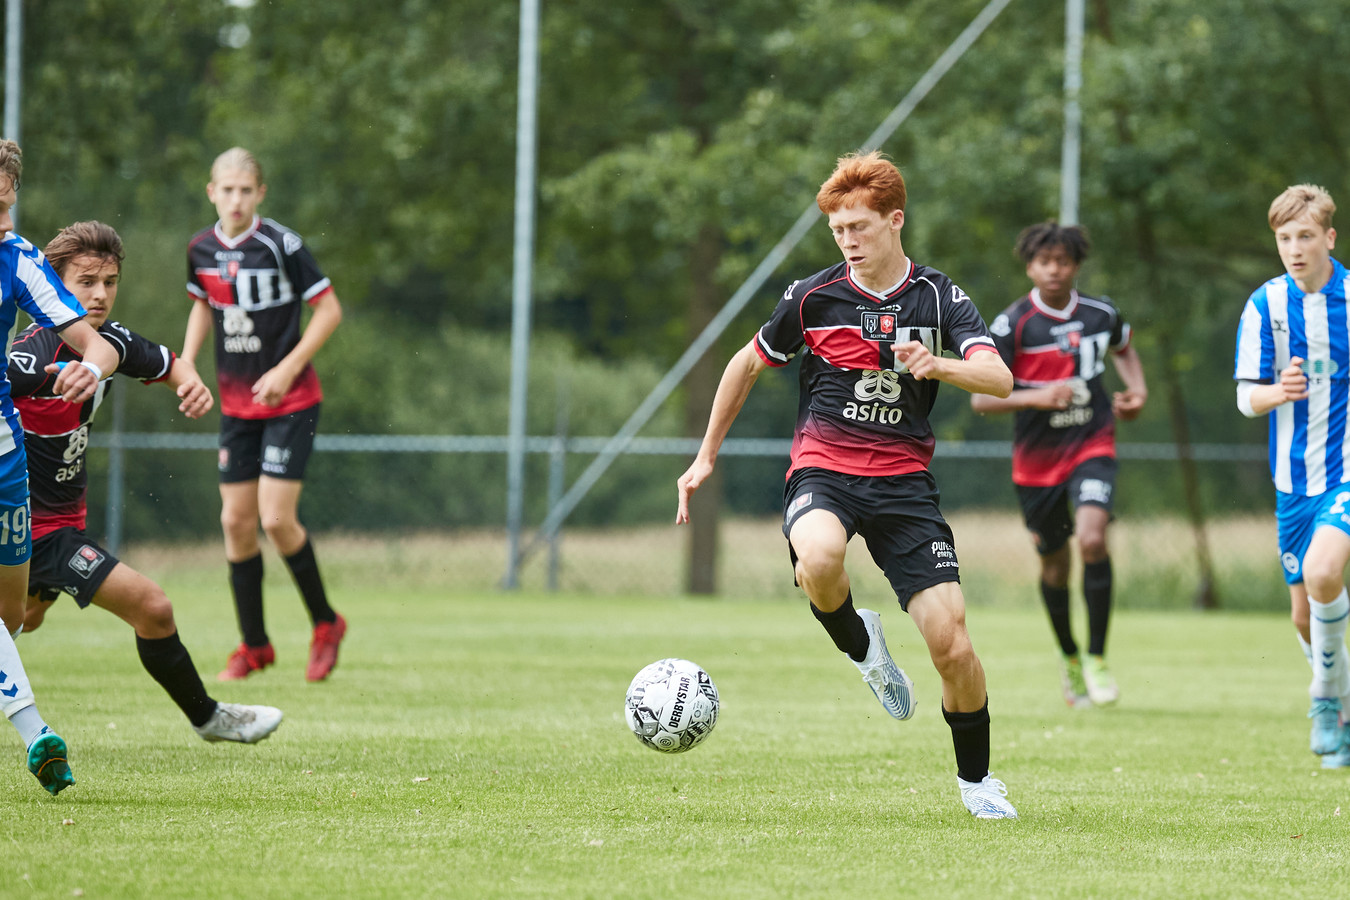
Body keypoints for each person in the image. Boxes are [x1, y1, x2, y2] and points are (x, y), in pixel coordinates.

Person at [677, 150, 1019, 819]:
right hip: (824, 470)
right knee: (821, 557)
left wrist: (939, 365)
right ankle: (863, 647)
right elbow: (746, 364)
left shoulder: (941, 297)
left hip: (905, 489)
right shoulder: (813, 295)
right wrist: (705, 456)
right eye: (838, 231)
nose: (849, 241)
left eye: (860, 226)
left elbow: (1001, 379)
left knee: (954, 645)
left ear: (895, 220)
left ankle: (977, 783)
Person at [11, 220, 283, 744]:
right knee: (152, 606)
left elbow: (162, 361)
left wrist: (193, 385)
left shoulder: (107, 340)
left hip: (67, 519)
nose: (99, 294)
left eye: (109, 282)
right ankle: (210, 718)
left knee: (25, 618)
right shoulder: (28, 355)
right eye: (85, 281)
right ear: (50, 281)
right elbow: (81, 363)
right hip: (34, 528)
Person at [182, 147, 346, 682]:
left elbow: (329, 309)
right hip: (236, 404)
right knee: (235, 521)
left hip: (289, 401)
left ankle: (325, 623)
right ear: (211, 192)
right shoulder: (201, 249)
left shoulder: (281, 244)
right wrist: (184, 365)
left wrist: (287, 369)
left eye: (245, 190)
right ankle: (254, 645)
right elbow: (203, 303)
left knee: (275, 519)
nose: (235, 199)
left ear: (260, 194)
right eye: (226, 189)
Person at [970, 223, 1147, 708]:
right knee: (1054, 564)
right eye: (1044, 261)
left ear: (1076, 266)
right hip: (1037, 462)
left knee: (1092, 539)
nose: (1054, 269)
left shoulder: (1100, 312)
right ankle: (1070, 658)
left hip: (1093, 442)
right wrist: (1040, 396)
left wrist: (1138, 392)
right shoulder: (1012, 324)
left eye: (1062, 261)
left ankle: (1097, 656)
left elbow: (1124, 346)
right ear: (1029, 266)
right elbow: (981, 401)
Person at [0, 139, 120, 794]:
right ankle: (34, 730)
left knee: (14, 613)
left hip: (4, 451)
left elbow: (92, 343)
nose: (4, 223)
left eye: (8, 208)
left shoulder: (15, 258)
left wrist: (89, 370)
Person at [1234, 184, 1350, 768]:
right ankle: (1344, 712)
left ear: (1329, 237)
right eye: (1285, 238)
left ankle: (1325, 696)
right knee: (1304, 613)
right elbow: (1245, 401)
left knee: (1324, 571)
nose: (1295, 248)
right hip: (1291, 483)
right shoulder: (1264, 306)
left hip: (1346, 473)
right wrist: (1278, 392)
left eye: (1306, 236)